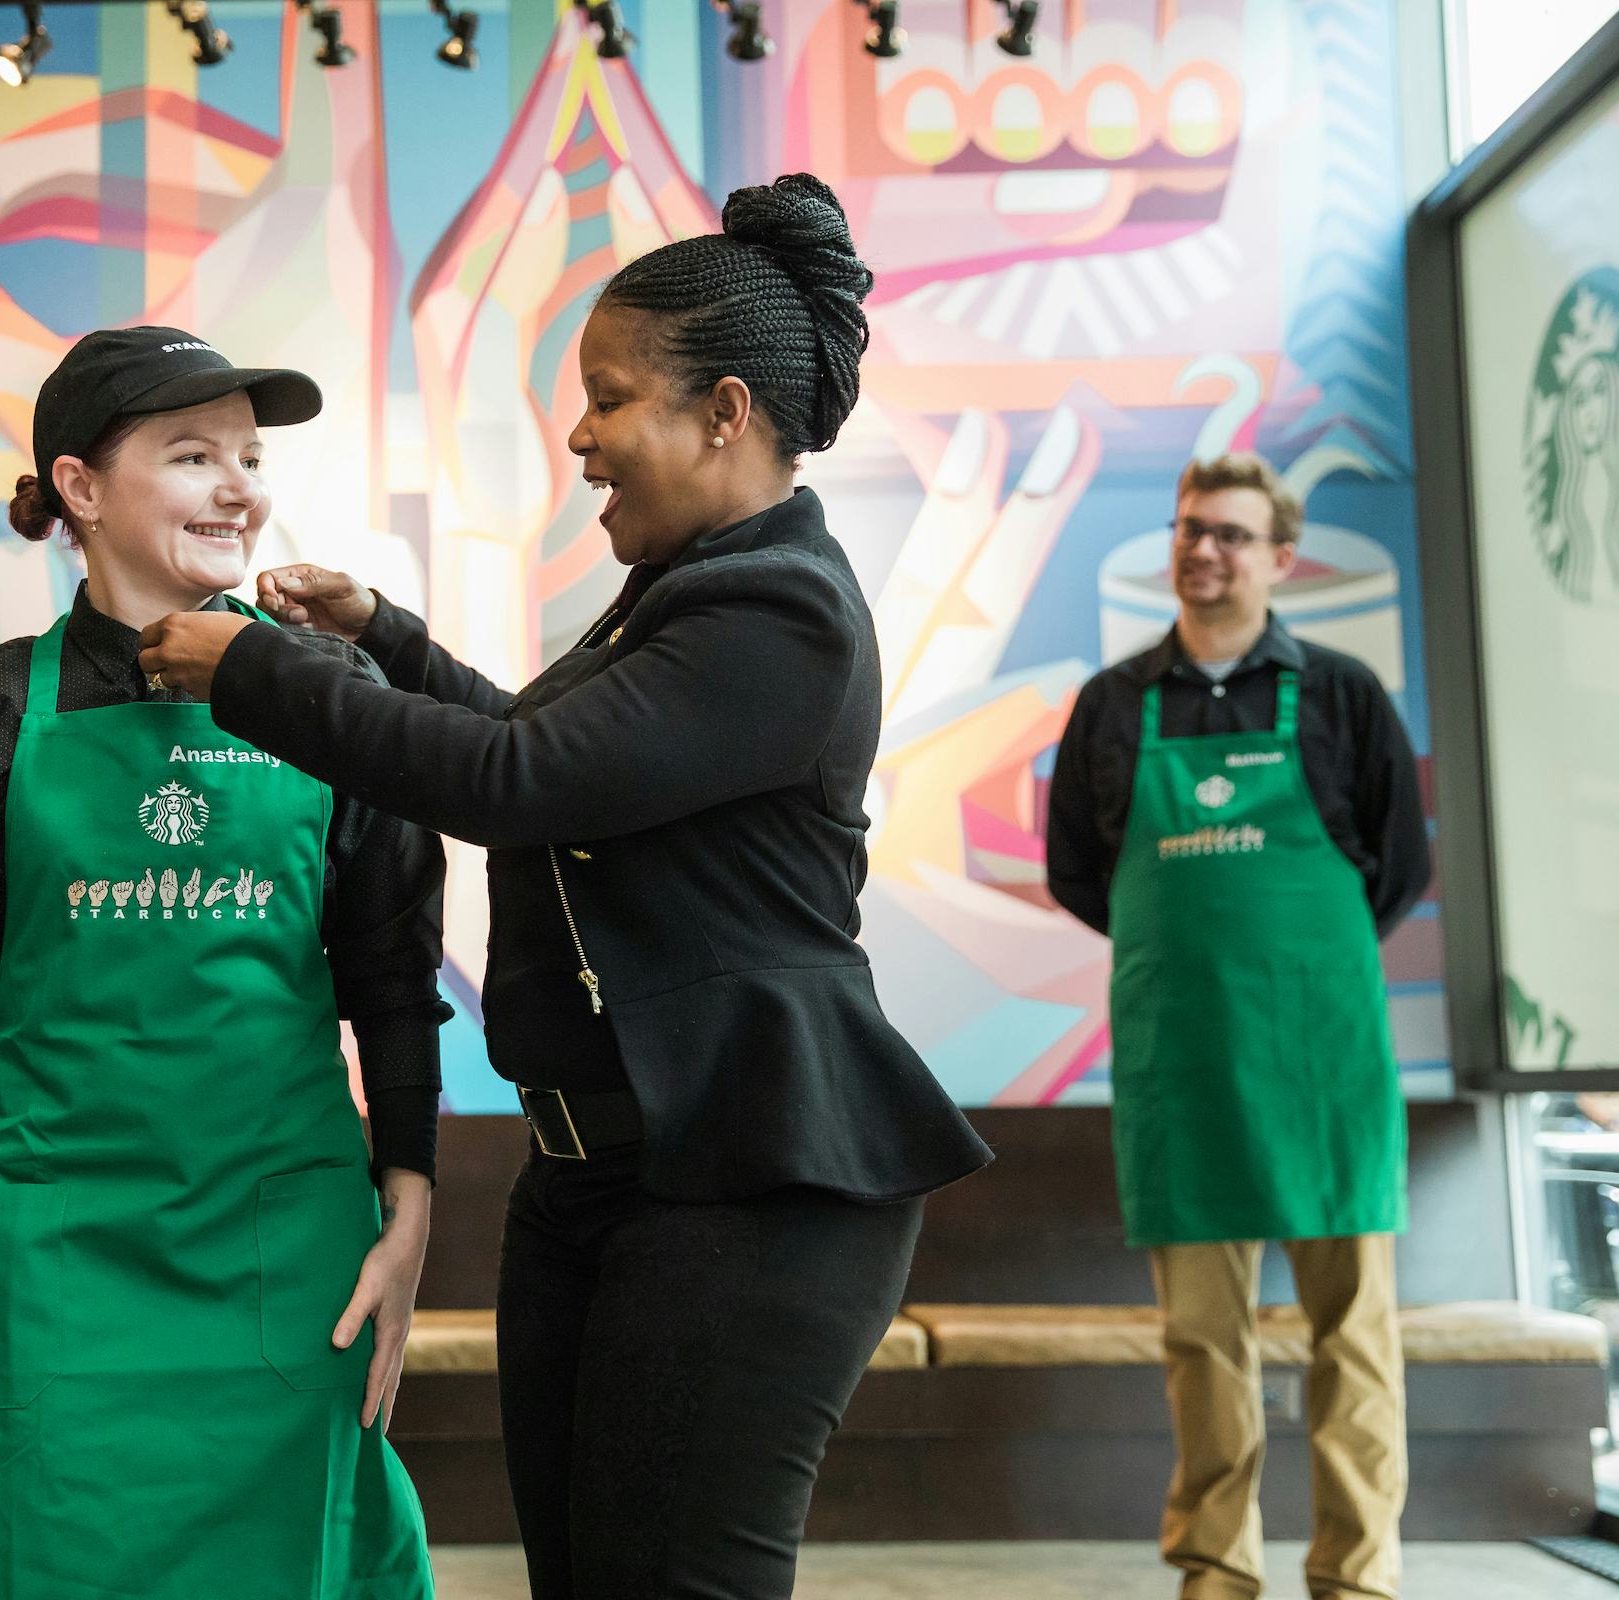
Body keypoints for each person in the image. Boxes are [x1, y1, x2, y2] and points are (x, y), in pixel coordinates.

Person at [138, 174, 991, 1600]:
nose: (581, 438)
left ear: (724, 412)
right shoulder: (686, 589)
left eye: (608, 399)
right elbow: (547, 762)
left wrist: (260, 677)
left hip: (750, 1180)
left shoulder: (778, 608)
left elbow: (515, 781)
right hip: (605, 1174)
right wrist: (390, 640)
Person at [0, 327, 444, 1599]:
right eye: (193, 455)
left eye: (249, 454)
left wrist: (410, 1197)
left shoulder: (337, 694)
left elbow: (393, 979)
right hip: (56, 1246)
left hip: (282, 1247)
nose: (242, 486)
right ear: (80, 487)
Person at [1044, 452, 1431, 1600]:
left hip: (1326, 1065)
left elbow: (1398, 868)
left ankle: (1356, 1575)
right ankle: (1217, 1567)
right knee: (1201, 1345)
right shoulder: (1113, 704)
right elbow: (1078, 871)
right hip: (1186, 1059)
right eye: (1188, 529)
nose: (1202, 549)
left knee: (1354, 1337)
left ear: (1279, 557)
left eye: (1228, 533)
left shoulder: (1347, 695)